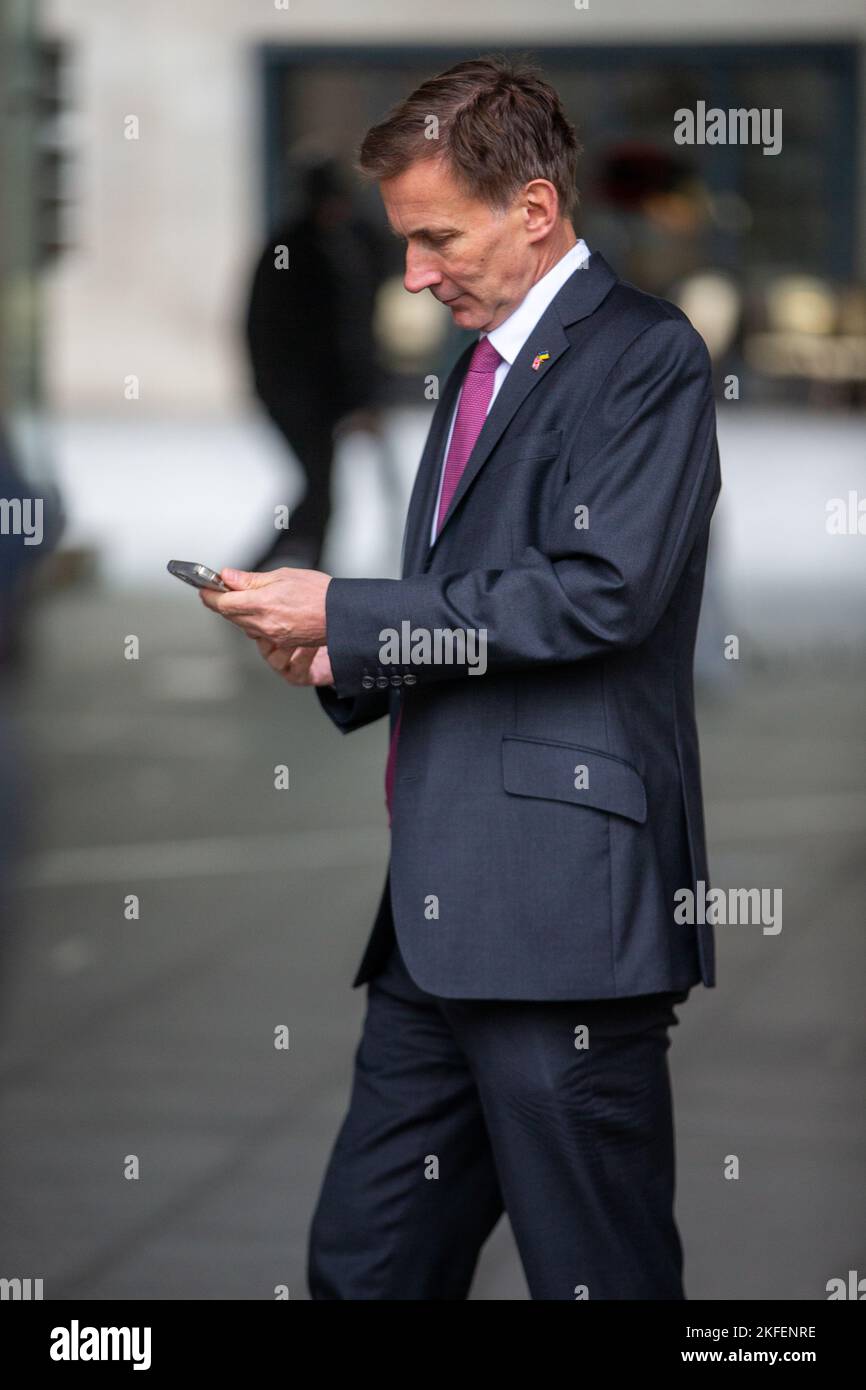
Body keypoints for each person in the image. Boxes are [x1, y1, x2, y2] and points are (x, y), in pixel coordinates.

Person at [201, 54, 721, 1300]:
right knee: (366, 1267)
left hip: (561, 931)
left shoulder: (643, 358)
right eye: (403, 240)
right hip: (431, 936)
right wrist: (344, 653)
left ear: (534, 210)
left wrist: (356, 609)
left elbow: (598, 593)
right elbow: (484, 594)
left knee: (596, 1276)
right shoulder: (481, 360)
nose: (414, 273)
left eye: (435, 238)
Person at [243, 155, 387, 570]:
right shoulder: (298, 252)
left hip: (310, 397)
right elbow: (327, 337)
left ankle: (308, 585)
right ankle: (257, 576)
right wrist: (357, 400)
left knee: (321, 494)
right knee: (319, 493)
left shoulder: (333, 245)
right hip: (299, 397)